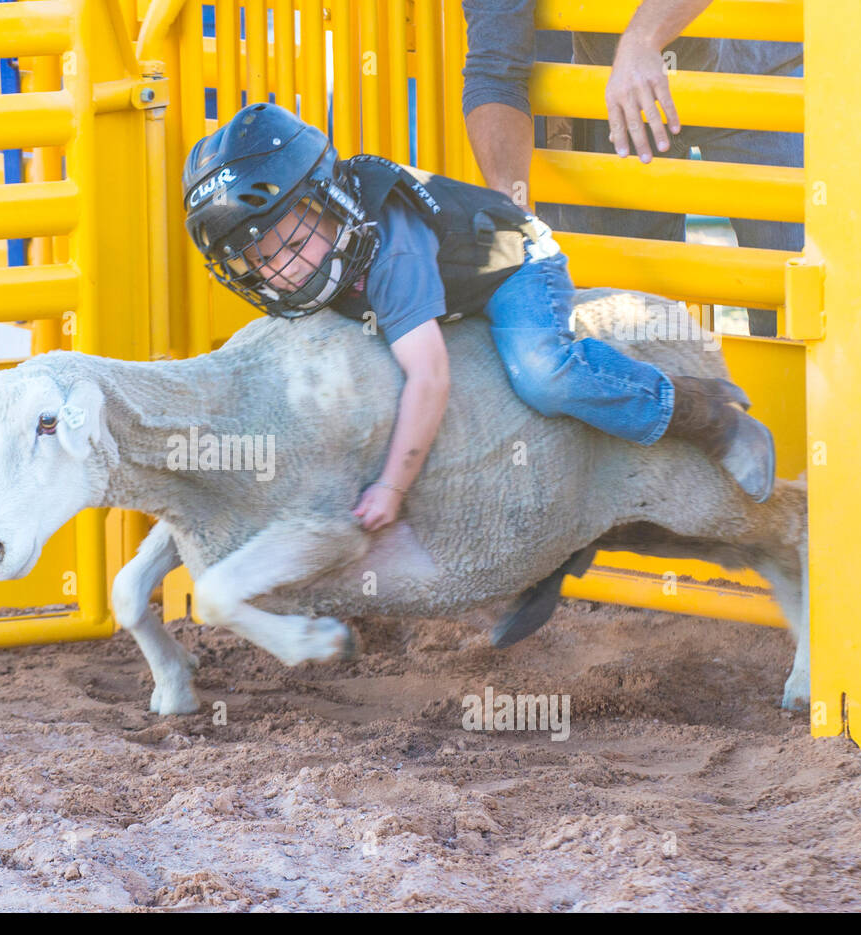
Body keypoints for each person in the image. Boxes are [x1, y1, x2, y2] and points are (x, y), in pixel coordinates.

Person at [181, 104, 776, 539]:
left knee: (543, 374)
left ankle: (704, 415)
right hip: (451, 287)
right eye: (255, 261)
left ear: (325, 202)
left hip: (511, 266)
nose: (277, 272)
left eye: (285, 244)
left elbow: (429, 378)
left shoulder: (393, 253)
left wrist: (392, 485)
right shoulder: (330, 254)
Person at [463, 0, 803, 336]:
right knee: (619, 322)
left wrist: (642, 40)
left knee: (797, 302)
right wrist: (513, 209)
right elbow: (495, 68)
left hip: (762, 75)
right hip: (616, 95)